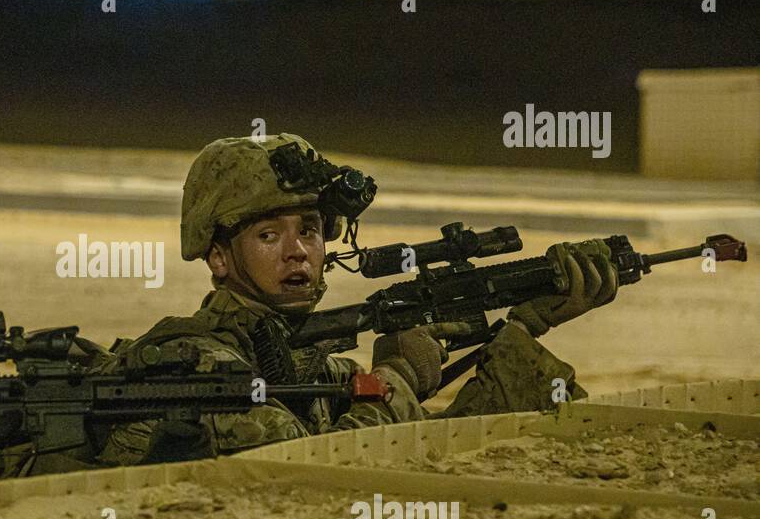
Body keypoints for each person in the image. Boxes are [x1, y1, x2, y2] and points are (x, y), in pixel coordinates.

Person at [97, 133, 617, 465]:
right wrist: (400, 377)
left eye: (310, 229)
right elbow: (322, 468)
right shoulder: (203, 366)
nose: (298, 252)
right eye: (268, 236)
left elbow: (427, 438)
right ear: (218, 258)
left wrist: (522, 327)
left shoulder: (297, 359)